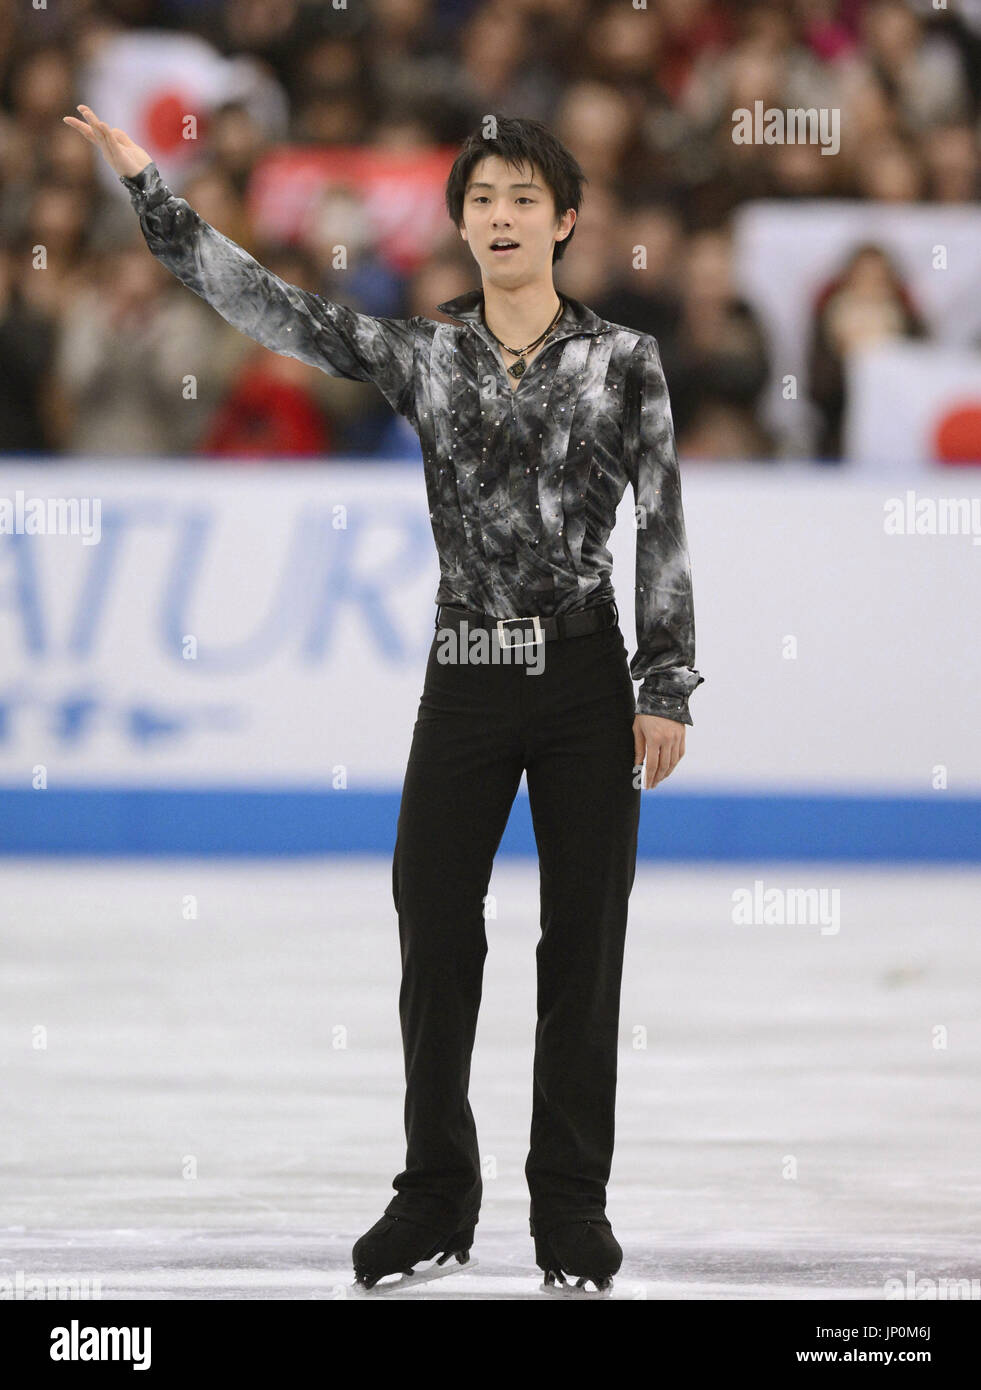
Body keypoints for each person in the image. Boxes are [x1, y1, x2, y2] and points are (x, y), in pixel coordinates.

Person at [64, 105, 704, 1294]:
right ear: (460, 224)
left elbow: (662, 522)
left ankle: (570, 1204)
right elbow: (266, 307)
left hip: (582, 676)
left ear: (564, 221)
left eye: (524, 198)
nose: (502, 216)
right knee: (434, 927)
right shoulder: (427, 353)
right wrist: (153, 189)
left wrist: (665, 679)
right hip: (462, 675)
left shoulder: (627, 362)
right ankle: (435, 1196)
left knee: (585, 945)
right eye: (482, 199)